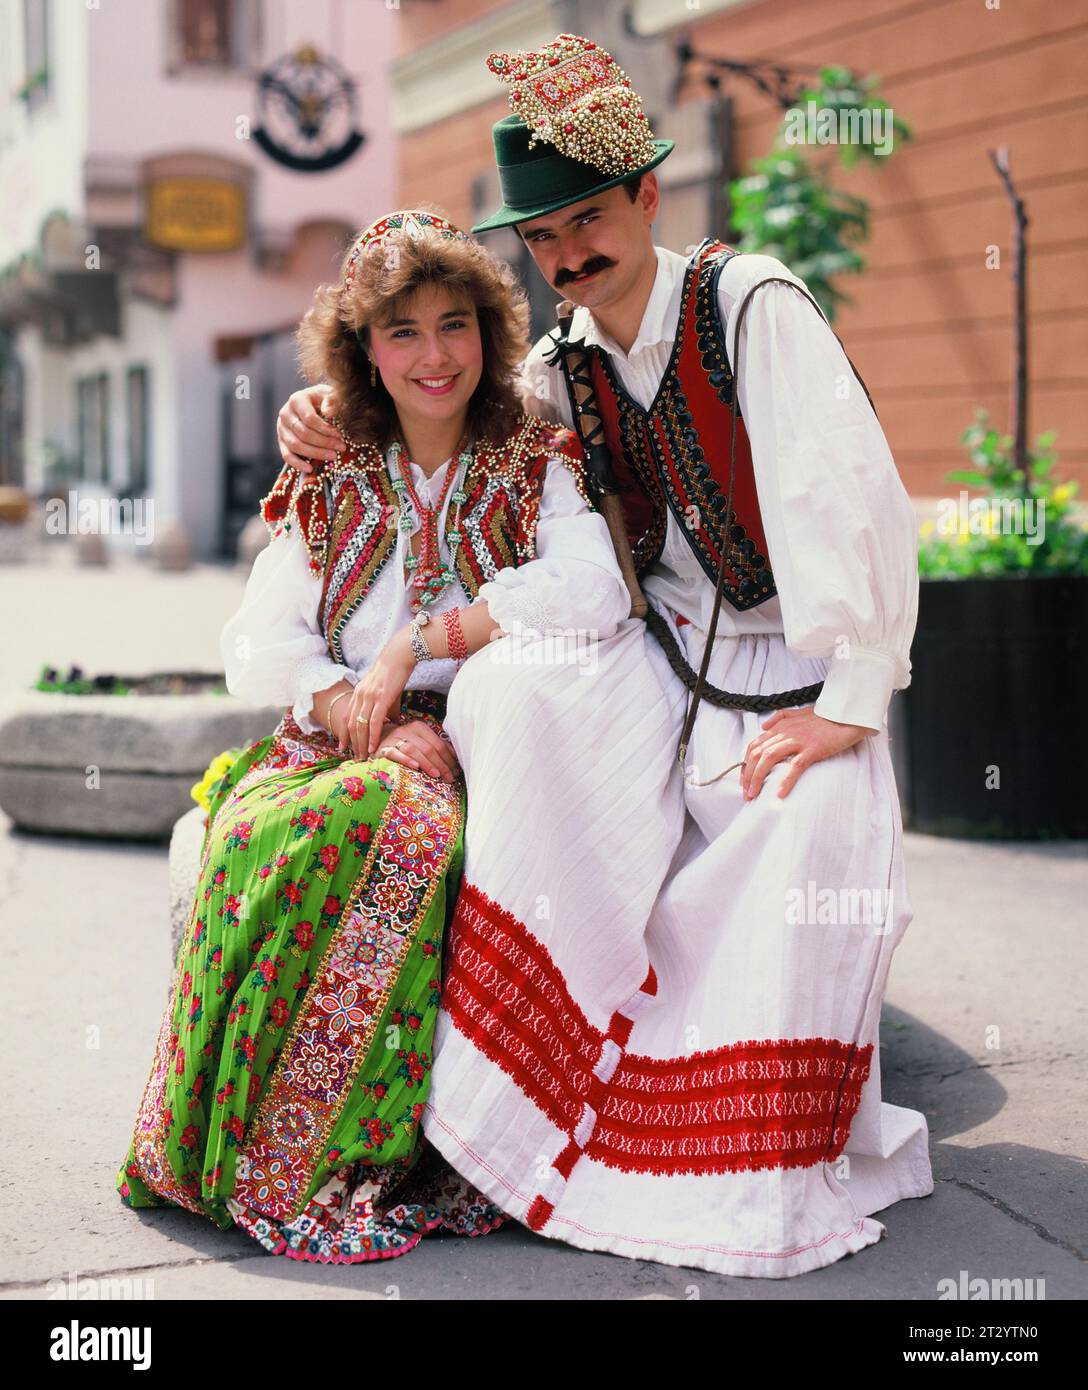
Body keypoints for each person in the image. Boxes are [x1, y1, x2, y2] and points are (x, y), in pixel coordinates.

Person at [273, 35, 934, 1279]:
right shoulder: (558, 365)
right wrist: (314, 411)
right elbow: (437, 397)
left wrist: (852, 700)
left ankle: (730, 1138)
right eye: (544, 235)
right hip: (659, 663)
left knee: (798, 835)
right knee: (510, 687)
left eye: (588, 217)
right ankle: (520, 1104)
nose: (569, 252)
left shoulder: (751, 307)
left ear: (646, 196)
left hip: (796, 661)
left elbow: (854, 496)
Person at [115, 206, 640, 1264]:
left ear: (490, 331)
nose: (433, 355)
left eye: (455, 323)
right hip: (337, 739)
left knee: (400, 822)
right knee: (304, 825)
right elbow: (257, 646)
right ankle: (249, 1147)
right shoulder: (332, 471)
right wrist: (350, 707)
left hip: (489, 745)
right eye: (401, 332)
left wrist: (426, 643)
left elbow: (593, 590)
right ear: (363, 350)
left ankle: (367, 1152)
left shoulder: (533, 460)